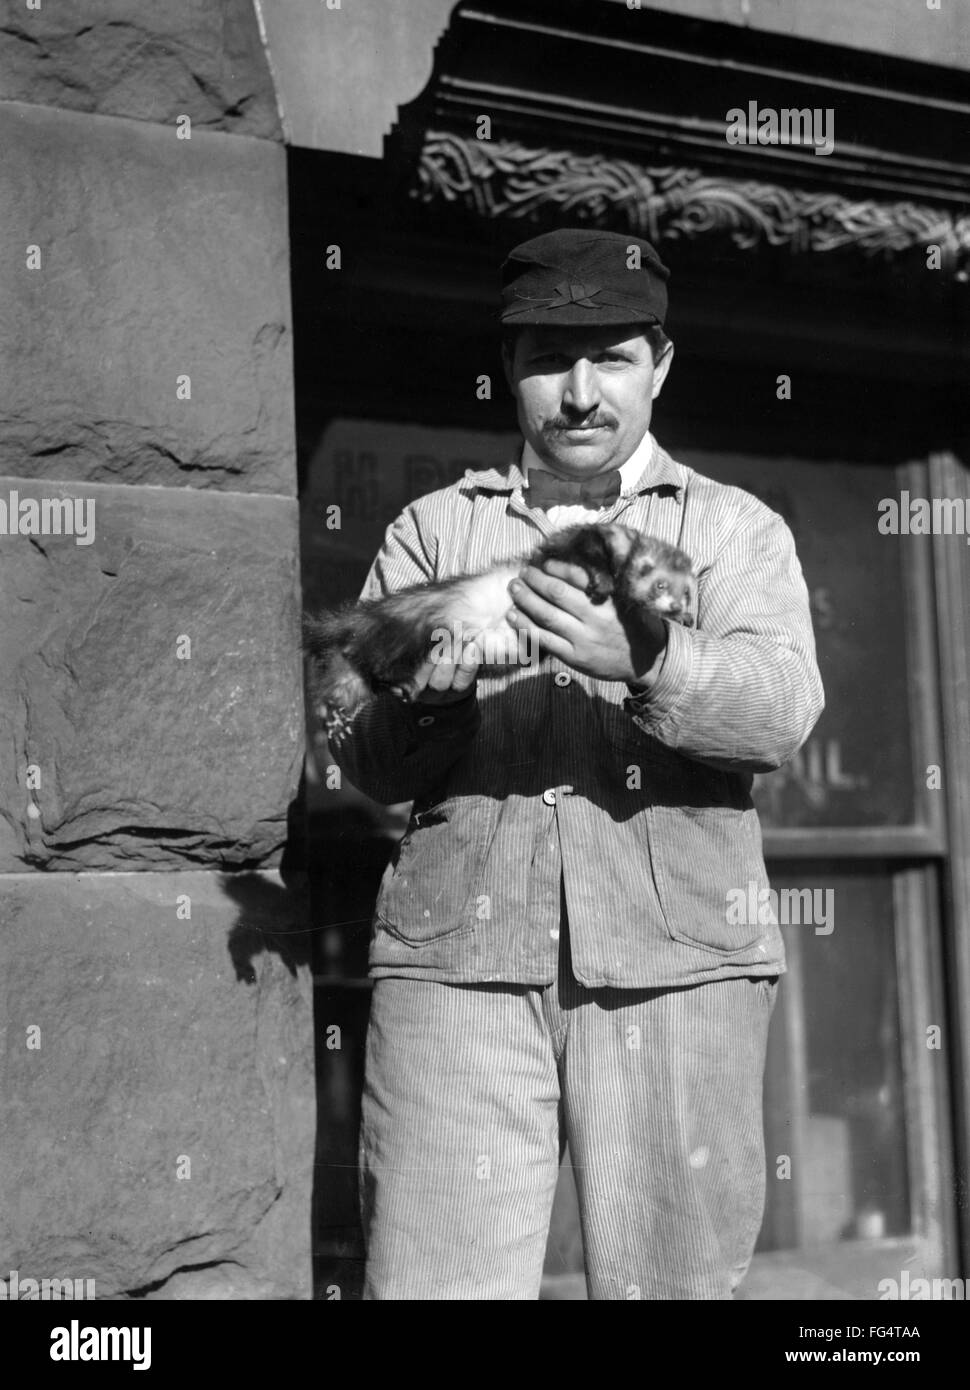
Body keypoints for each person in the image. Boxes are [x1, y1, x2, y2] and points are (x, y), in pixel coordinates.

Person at [328, 228, 825, 1300]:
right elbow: (360, 751)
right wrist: (431, 698)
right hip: (458, 966)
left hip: (676, 966)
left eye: (612, 359)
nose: (581, 393)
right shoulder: (435, 531)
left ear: (661, 366)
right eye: (551, 360)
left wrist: (650, 657)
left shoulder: (732, 530)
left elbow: (782, 714)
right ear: (508, 367)